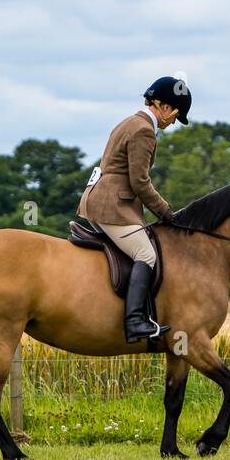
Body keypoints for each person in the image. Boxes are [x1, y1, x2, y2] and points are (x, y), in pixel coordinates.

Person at [77, 76, 191, 343]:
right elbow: (140, 182)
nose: (173, 121)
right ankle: (135, 322)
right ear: (162, 106)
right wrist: (167, 212)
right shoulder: (143, 130)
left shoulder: (128, 121)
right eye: (175, 114)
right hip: (112, 206)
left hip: (100, 200)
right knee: (146, 254)